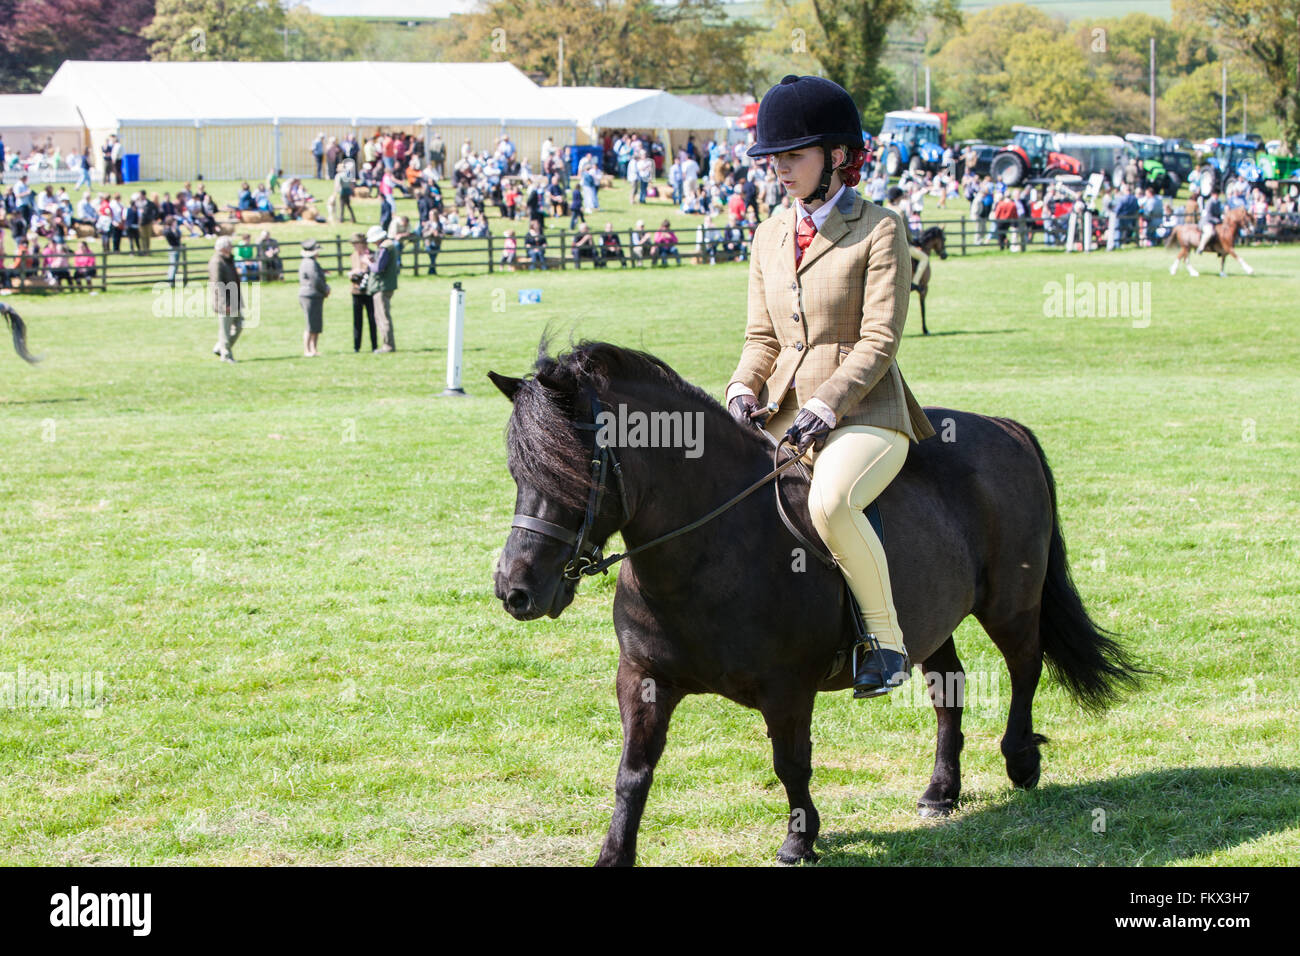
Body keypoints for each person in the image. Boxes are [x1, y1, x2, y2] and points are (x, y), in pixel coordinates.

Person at [726, 74, 936, 698]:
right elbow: (761, 337)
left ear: (838, 156)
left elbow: (880, 340)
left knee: (829, 503)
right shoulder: (767, 235)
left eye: (794, 156)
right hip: (784, 409)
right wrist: (740, 389)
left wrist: (825, 403)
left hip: (867, 412)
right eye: (773, 158)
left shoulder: (879, 229)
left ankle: (886, 644)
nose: (780, 170)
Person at [209, 237, 243, 363]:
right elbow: (217, 284)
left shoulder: (228, 259)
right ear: (223, 247)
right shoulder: (217, 261)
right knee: (225, 329)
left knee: (239, 324)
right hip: (225, 302)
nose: (232, 247)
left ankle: (220, 347)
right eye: (229, 245)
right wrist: (224, 304)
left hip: (234, 298)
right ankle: (226, 355)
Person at [366, 224, 397, 352]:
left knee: (382, 317)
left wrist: (368, 263)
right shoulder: (389, 245)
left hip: (381, 286)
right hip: (386, 285)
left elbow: (378, 268)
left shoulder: (385, 247)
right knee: (382, 316)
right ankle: (387, 344)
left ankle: (388, 345)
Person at [298, 238, 330, 357]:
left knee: (315, 323)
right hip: (310, 295)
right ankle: (308, 349)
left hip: (314, 295)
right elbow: (315, 279)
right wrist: (325, 289)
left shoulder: (310, 262)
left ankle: (314, 349)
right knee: (311, 323)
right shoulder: (310, 263)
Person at [348, 232, 377, 353]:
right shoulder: (353, 256)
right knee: (357, 320)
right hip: (356, 290)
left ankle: (374, 345)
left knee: (372, 319)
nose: (355, 247)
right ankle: (356, 346)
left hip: (369, 290)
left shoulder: (372, 255)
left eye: (356, 244)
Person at [1196, 188, 1223, 254]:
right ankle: (1200, 248)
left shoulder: (1218, 202)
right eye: (1216, 194)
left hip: (1216, 222)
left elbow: (1219, 213)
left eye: (1218, 194)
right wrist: (1218, 220)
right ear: (1213, 194)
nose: (1217, 196)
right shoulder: (1209, 202)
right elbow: (1209, 216)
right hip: (1207, 221)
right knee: (1209, 233)